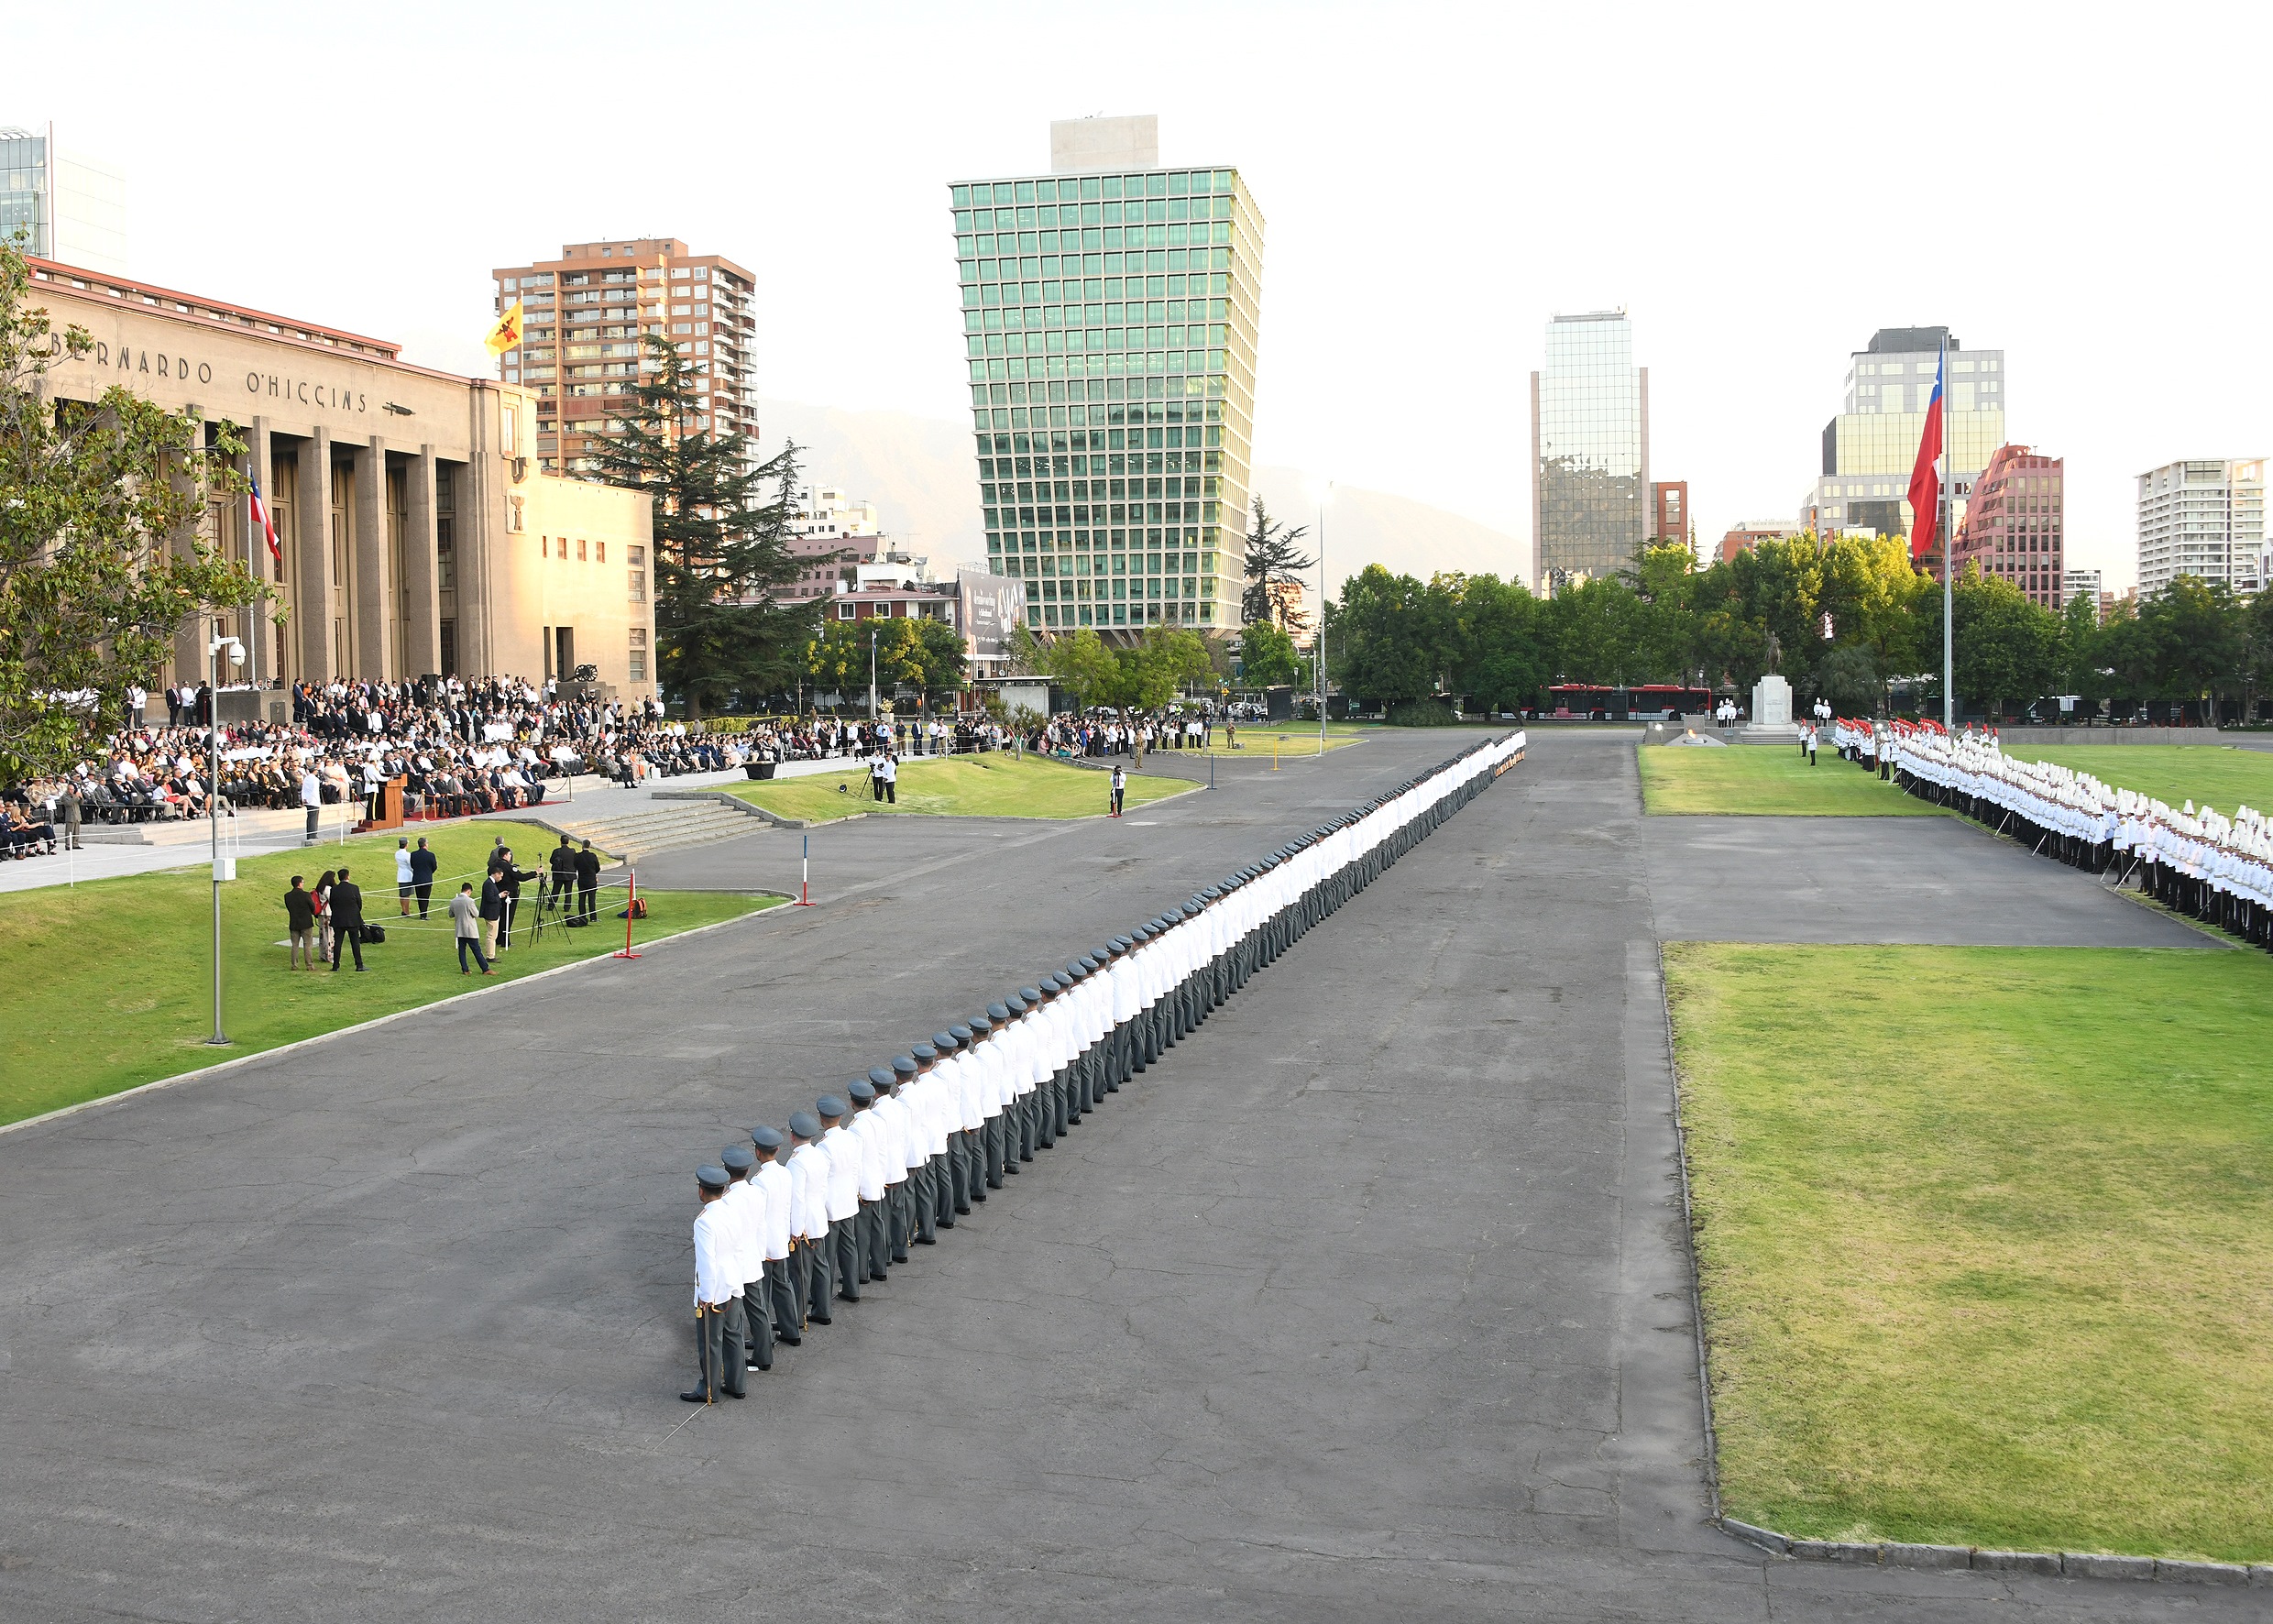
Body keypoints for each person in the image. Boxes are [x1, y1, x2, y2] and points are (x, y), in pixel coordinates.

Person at [683, 1164, 745, 1404]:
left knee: (710, 1342)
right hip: (732, 1281)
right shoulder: (731, 1210)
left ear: (702, 1191)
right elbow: (738, 1248)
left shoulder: (704, 1221)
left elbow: (707, 1262)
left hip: (715, 1288)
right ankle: (737, 1383)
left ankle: (709, 1388)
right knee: (732, 1335)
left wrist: (706, 1295)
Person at [327, 865, 367, 971]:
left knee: (338, 943)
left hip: (338, 919)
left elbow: (332, 904)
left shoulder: (334, 890)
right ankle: (359, 965)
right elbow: (359, 903)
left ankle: (336, 966)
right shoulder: (354, 888)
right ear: (348, 877)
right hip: (352, 919)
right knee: (355, 942)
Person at [450, 881, 493, 974]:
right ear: (469, 891)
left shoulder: (453, 901)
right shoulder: (470, 901)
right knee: (476, 949)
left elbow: (451, 914)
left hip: (460, 929)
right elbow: (476, 914)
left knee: (462, 949)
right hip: (470, 929)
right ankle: (485, 969)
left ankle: (465, 969)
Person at [283, 875, 318, 970]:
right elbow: (313, 907)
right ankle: (309, 965)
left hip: (294, 922)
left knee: (294, 945)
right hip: (306, 923)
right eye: (302, 882)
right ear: (299, 883)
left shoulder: (287, 896)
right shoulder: (306, 895)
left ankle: (294, 965)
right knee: (307, 945)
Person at [478, 867, 506, 960]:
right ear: (496, 874)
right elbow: (490, 898)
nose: (501, 878)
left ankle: (491, 954)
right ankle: (490, 956)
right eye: (500, 876)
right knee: (492, 935)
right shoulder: (488, 884)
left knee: (492, 934)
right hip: (491, 913)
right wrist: (500, 896)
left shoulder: (490, 883)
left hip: (493, 912)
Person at [573, 838, 600, 926]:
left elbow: (575, 866)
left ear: (582, 846)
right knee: (592, 899)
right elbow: (598, 868)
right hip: (591, 879)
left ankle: (582, 916)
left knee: (582, 898)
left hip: (582, 879)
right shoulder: (593, 856)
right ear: (589, 846)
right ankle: (593, 917)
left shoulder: (578, 856)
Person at [409, 837, 438, 920]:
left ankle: (422, 913)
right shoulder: (430, 855)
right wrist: (429, 872)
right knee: (425, 897)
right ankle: (423, 915)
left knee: (420, 897)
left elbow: (412, 865)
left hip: (417, 878)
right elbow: (434, 867)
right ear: (425, 844)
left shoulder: (413, 854)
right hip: (426, 879)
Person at [301, 764, 323, 845]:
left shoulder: (306, 778)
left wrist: (304, 799)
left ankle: (309, 834)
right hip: (314, 800)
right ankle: (313, 834)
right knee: (313, 818)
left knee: (309, 817)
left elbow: (304, 790)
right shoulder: (315, 780)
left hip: (307, 800)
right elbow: (315, 791)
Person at [395, 838, 415, 916]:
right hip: (407, 876)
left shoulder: (397, 853)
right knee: (406, 895)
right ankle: (406, 912)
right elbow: (410, 866)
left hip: (400, 875)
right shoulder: (407, 855)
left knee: (402, 895)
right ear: (406, 845)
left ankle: (403, 910)